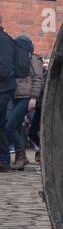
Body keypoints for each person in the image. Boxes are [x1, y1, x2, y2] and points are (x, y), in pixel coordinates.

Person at [4, 35, 42, 170]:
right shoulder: (16, 58)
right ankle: (21, 158)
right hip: (15, 95)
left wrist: (34, 98)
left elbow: (38, 79)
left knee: (9, 127)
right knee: (17, 128)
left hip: (26, 97)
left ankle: (22, 157)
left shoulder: (33, 59)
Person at [0, 15, 17, 172]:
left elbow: (4, 69)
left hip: (3, 88)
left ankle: (4, 160)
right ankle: (3, 160)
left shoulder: (4, 40)